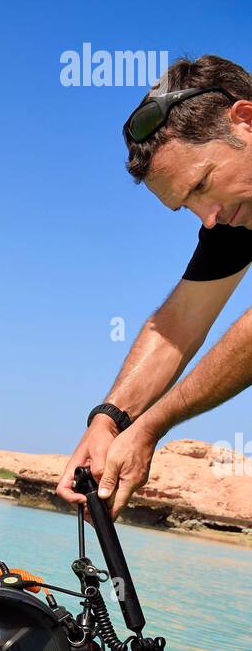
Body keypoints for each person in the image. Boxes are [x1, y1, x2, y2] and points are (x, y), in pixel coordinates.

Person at [56, 54, 252, 520]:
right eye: (187, 204)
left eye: (203, 183)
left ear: (245, 120)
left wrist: (149, 427)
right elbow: (178, 324)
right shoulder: (236, 210)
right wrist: (108, 420)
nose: (208, 217)